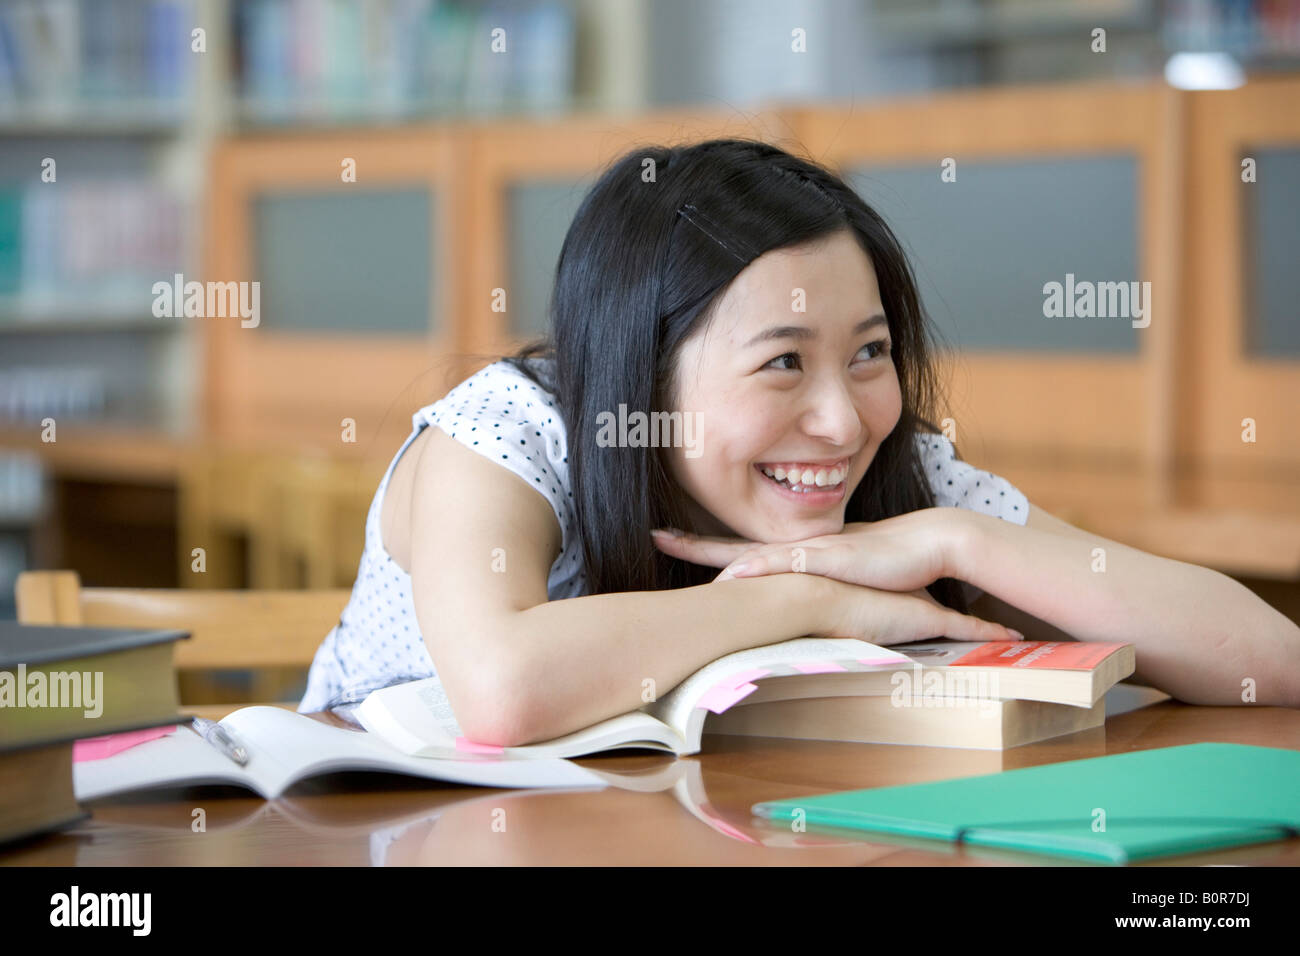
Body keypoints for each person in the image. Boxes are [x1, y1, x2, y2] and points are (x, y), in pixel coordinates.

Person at [298, 138, 1300, 743]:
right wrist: (809, 598)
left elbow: (1269, 659)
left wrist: (963, 541)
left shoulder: (891, 465)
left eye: (868, 351)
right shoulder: (509, 429)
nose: (843, 416)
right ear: (642, 372)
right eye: (782, 362)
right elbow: (502, 690)